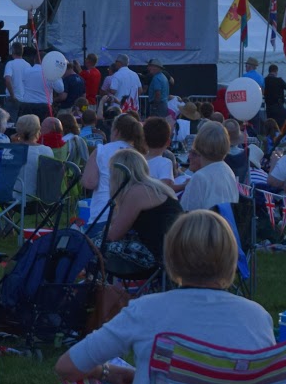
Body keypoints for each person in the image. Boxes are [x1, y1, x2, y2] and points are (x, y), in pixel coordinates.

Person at [55, 210, 273, 384]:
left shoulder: (147, 311)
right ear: (231, 258)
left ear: (171, 257)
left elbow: (66, 366)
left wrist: (107, 372)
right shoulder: (257, 317)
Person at [92, 148, 183, 276]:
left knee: (91, 246)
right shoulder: (154, 187)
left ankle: (99, 289)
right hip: (173, 253)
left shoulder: (137, 192)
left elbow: (113, 234)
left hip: (157, 258)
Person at [84, 113, 144, 220]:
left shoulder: (101, 150)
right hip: (131, 217)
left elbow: (89, 182)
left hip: (102, 213)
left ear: (116, 131)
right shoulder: (140, 154)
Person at [179, 122, 241, 213]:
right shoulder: (228, 171)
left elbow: (186, 215)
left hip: (206, 225)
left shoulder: (200, 177)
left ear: (199, 142)